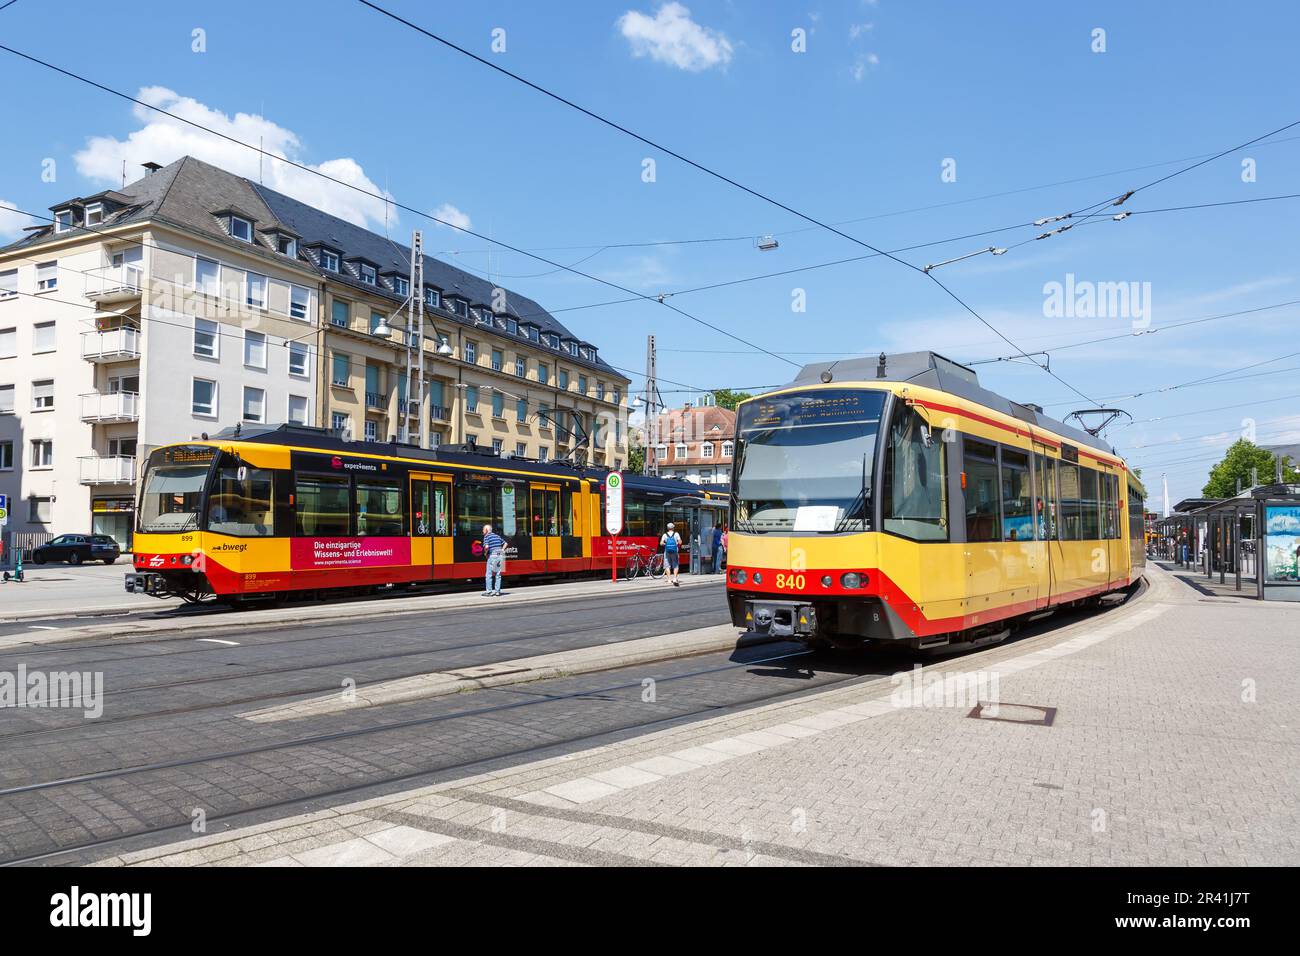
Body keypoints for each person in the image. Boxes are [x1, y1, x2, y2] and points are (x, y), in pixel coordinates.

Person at [482, 523, 506, 596]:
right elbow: (505, 543)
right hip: (500, 555)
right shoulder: (497, 536)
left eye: (483, 530)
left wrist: (486, 553)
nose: (482, 531)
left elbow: (486, 547)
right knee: (498, 574)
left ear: (486, 530)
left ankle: (489, 592)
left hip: (492, 555)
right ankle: (497, 592)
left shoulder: (487, 536)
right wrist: (502, 550)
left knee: (489, 574)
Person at [660, 522, 683, 587]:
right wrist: (676, 543)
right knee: (675, 564)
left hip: (667, 551)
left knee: (667, 565)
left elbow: (661, 543)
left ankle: (669, 579)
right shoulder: (676, 534)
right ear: (673, 528)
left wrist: (666, 544)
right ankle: (675, 578)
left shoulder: (665, 535)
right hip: (675, 551)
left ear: (667, 528)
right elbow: (680, 542)